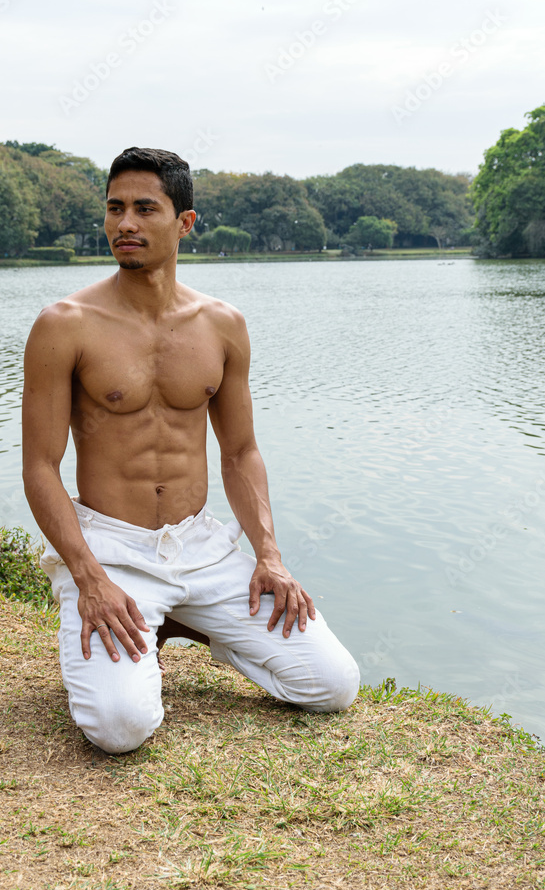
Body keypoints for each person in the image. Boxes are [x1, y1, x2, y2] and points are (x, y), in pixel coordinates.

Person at [22, 147, 359, 754]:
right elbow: (40, 467)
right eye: (114, 208)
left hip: (201, 547)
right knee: (119, 729)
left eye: (145, 209)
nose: (125, 224)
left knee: (332, 685)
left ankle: (186, 619)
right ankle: (128, 620)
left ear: (185, 222)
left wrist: (269, 556)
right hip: (111, 548)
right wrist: (88, 576)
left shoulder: (221, 324)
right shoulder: (64, 325)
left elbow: (241, 452)